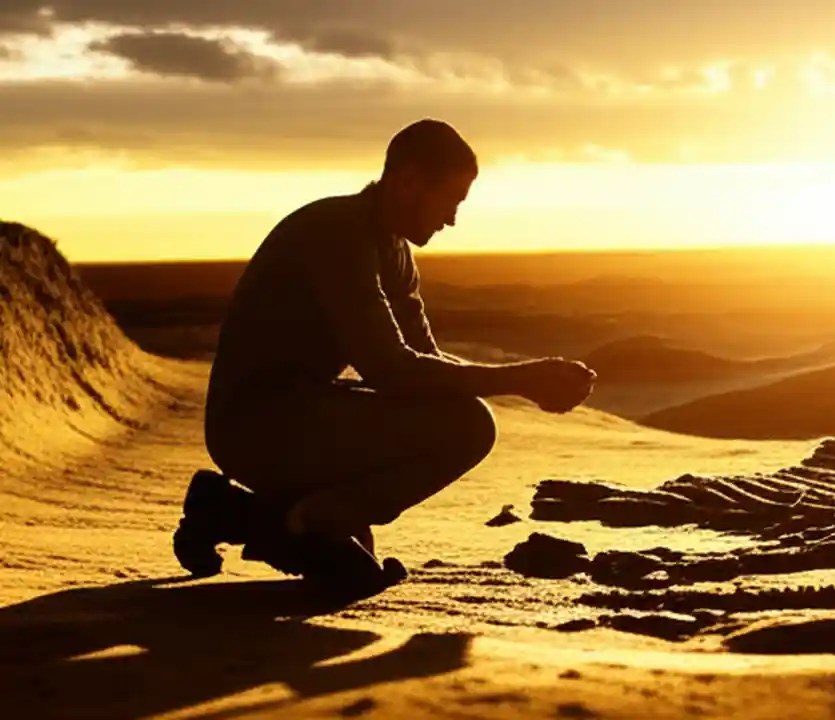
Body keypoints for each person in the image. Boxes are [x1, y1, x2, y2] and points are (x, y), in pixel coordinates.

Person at [174, 119, 597, 595]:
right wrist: (521, 378)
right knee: (469, 427)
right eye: (451, 201)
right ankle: (300, 520)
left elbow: (424, 361)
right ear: (409, 181)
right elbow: (391, 369)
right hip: (256, 426)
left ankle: (232, 512)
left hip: (303, 414)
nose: (453, 219)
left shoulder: (392, 250)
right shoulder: (338, 233)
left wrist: (530, 376)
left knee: (450, 419)